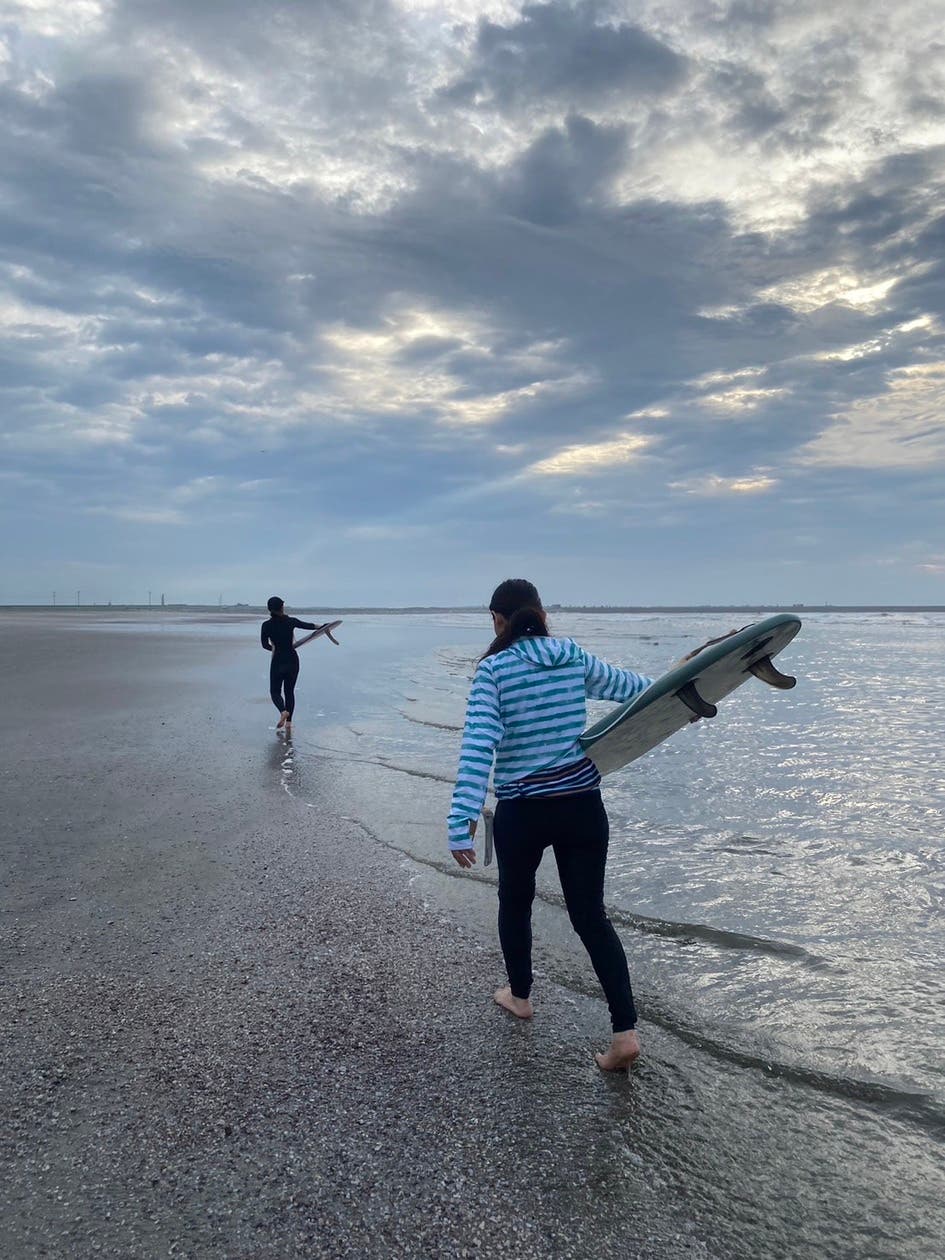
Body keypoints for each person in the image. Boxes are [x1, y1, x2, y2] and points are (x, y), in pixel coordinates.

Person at [447, 578, 657, 1072]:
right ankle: (624, 1033)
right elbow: (633, 690)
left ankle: (520, 997)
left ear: (497, 621)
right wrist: (684, 699)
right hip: (582, 805)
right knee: (591, 917)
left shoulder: (493, 671)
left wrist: (462, 818)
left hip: (524, 811)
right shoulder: (572, 656)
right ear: (542, 615)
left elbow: (479, 745)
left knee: (515, 902)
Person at [260, 597, 322, 730]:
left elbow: (264, 645)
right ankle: (288, 723)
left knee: (275, 692)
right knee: (289, 692)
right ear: (282, 607)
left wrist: (273, 648)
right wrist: (323, 626)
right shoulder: (291, 621)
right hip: (292, 660)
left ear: (270, 609)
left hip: (278, 660)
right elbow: (308, 626)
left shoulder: (266, 625)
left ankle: (283, 711)